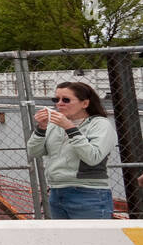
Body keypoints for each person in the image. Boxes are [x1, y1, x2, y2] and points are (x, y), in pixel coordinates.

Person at [26, 81, 118, 219]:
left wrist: (70, 128)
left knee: (91, 239)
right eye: (56, 99)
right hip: (57, 191)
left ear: (85, 104)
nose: (59, 104)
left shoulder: (100, 124)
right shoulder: (54, 125)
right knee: (63, 240)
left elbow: (92, 157)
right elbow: (33, 152)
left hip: (88, 193)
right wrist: (41, 128)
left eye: (66, 100)